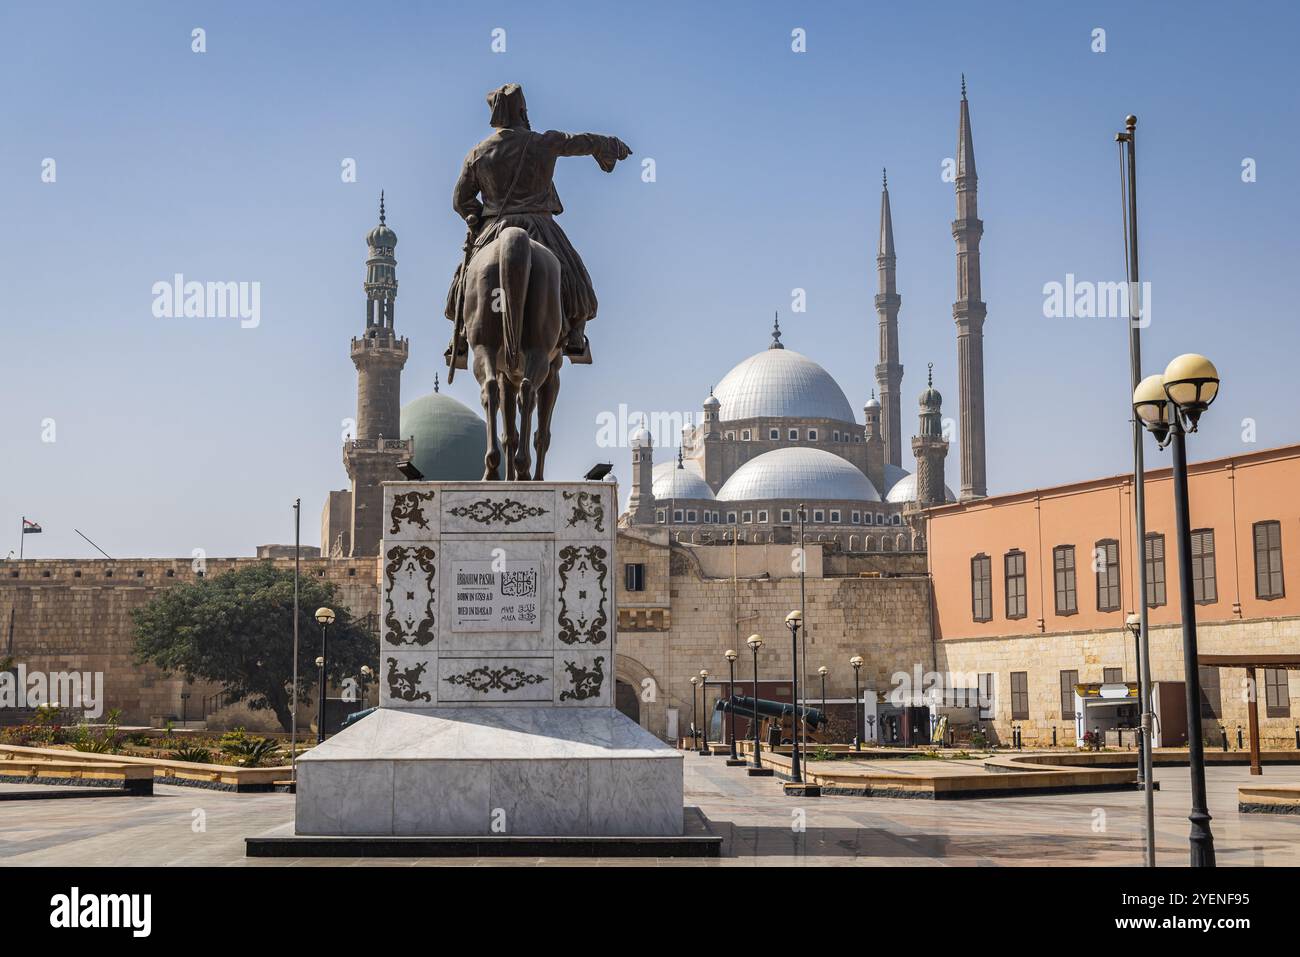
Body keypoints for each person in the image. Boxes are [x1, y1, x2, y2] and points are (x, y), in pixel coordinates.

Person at [445, 83, 631, 359]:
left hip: (493, 226)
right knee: (574, 276)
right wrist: (611, 146)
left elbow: (461, 201)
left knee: (464, 281)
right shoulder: (544, 142)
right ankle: (576, 334)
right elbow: (581, 141)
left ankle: (460, 337)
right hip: (540, 225)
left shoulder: (478, 153)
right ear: (521, 111)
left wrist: (476, 219)